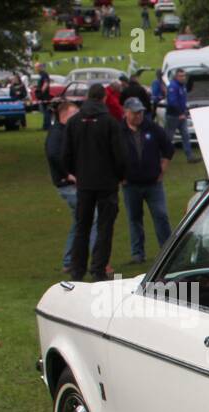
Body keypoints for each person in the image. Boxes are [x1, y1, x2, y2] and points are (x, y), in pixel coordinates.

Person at [62, 84, 128, 281]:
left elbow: (65, 155)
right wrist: (119, 175)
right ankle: (98, 269)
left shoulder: (74, 122)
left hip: (84, 183)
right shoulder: (110, 123)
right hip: (107, 183)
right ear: (104, 99)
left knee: (82, 226)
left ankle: (77, 269)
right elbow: (120, 155)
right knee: (104, 228)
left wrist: (77, 172)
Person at [120, 98, 173, 264]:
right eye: (135, 112)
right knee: (134, 218)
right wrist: (119, 176)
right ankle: (137, 253)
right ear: (126, 112)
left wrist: (162, 169)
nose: (138, 116)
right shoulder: (118, 131)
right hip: (130, 184)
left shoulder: (152, 128)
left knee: (161, 215)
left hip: (153, 183)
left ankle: (167, 251)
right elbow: (109, 154)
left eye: (141, 112)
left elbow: (168, 149)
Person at [46, 99, 97, 274]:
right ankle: (94, 260)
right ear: (65, 114)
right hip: (68, 186)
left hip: (72, 184)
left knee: (79, 222)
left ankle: (69, 260)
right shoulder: (57, 133)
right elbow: (54, 155)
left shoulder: (67, 132)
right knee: (91, 217)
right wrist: (68, 174)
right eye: (75, 114)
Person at [164, 68, 193, 161]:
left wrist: (185, 111)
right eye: (181, 76)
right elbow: (172, 102)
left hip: (182, 115)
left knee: (186, 135)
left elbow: (183, 100)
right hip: (173, 116)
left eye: (184, 75)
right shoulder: (173, 86)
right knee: (169, 137)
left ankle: (189, 156)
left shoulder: (182, 86)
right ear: (176, 77)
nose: (183, 77)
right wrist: (180, 113)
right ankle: (163, 156)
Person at [35, 63, 53, 129]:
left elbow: (46, 83)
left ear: (40, 67)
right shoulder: (40, 75)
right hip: (42, 95)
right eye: (35, 67)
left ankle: (47, 126)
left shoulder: (44, 74)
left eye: (37, 67)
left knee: (46, 111)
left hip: (44, 95)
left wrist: (41, 92)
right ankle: (45, 125)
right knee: (44, 111)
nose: (36, 69)